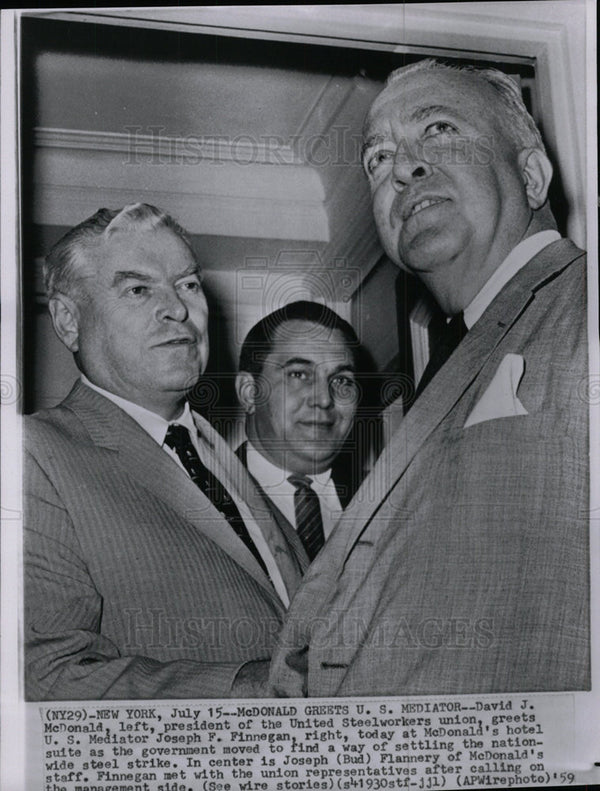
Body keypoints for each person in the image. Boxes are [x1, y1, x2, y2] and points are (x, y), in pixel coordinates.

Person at [268, 59, 589, 696]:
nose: (402, 167)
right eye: (377, 158)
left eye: (439, 130)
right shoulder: (458, 353)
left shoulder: (583, 301)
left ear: (530, 173)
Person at [24, 203, 308, 700]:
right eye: (138, 289)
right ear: (69, 322)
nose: (178, 309)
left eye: (189, 284)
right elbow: (45, 675)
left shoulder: (221, 459)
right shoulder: (34, 454)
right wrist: (244, 689)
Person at [235, 301, 361, 562]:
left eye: (341, 380)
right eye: (299, 375)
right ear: (249, 392)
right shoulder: (201, 498)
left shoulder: (388, 501)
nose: (324, 399)